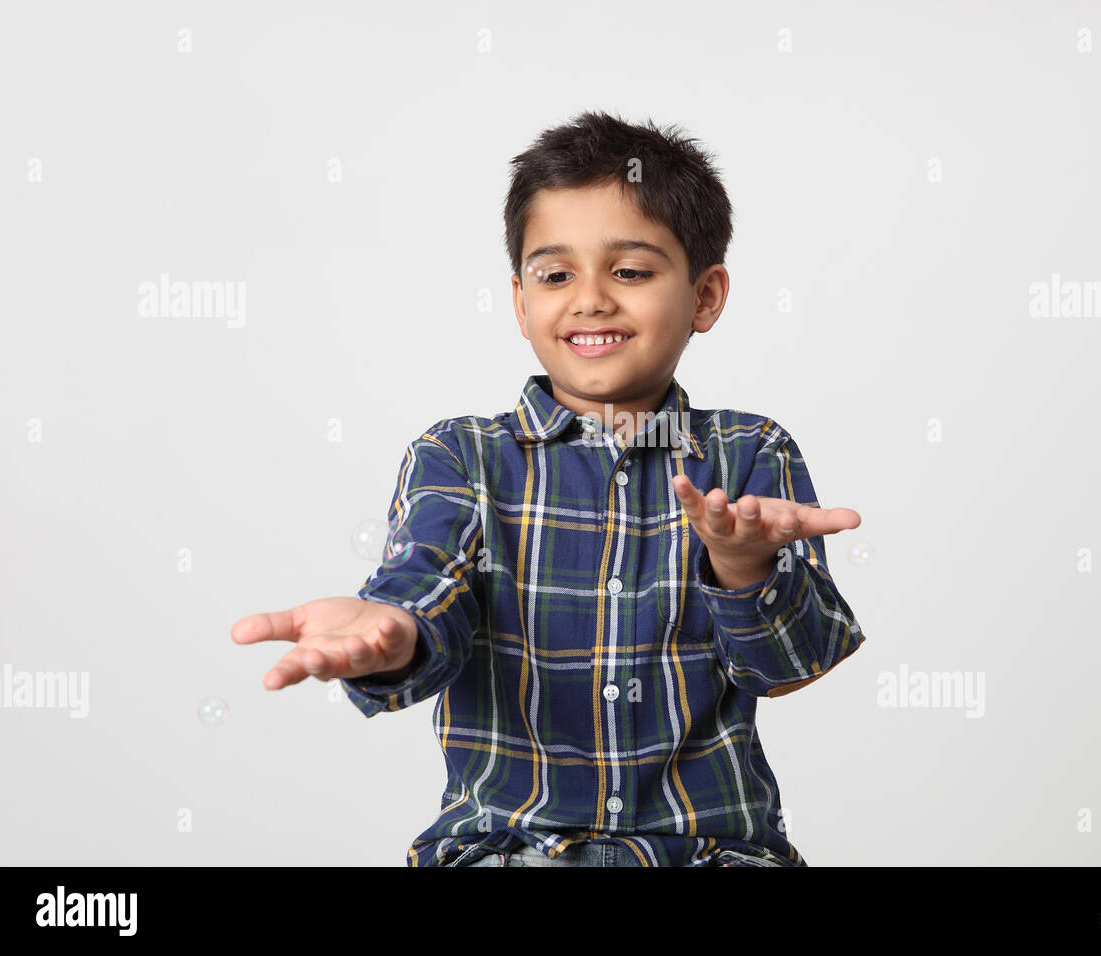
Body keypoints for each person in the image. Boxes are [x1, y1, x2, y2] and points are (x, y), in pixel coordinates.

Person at [232, 110, 867, 867]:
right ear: (520, 301)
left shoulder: (751, 454)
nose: (591, 299)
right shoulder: (461, 456)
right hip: (508, 851)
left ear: (705, 295)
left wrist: (742, 568)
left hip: (708, 854)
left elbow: (791, 667)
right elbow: (423, 586)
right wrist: (394, 635)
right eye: (556, 274)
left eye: (630, 271)